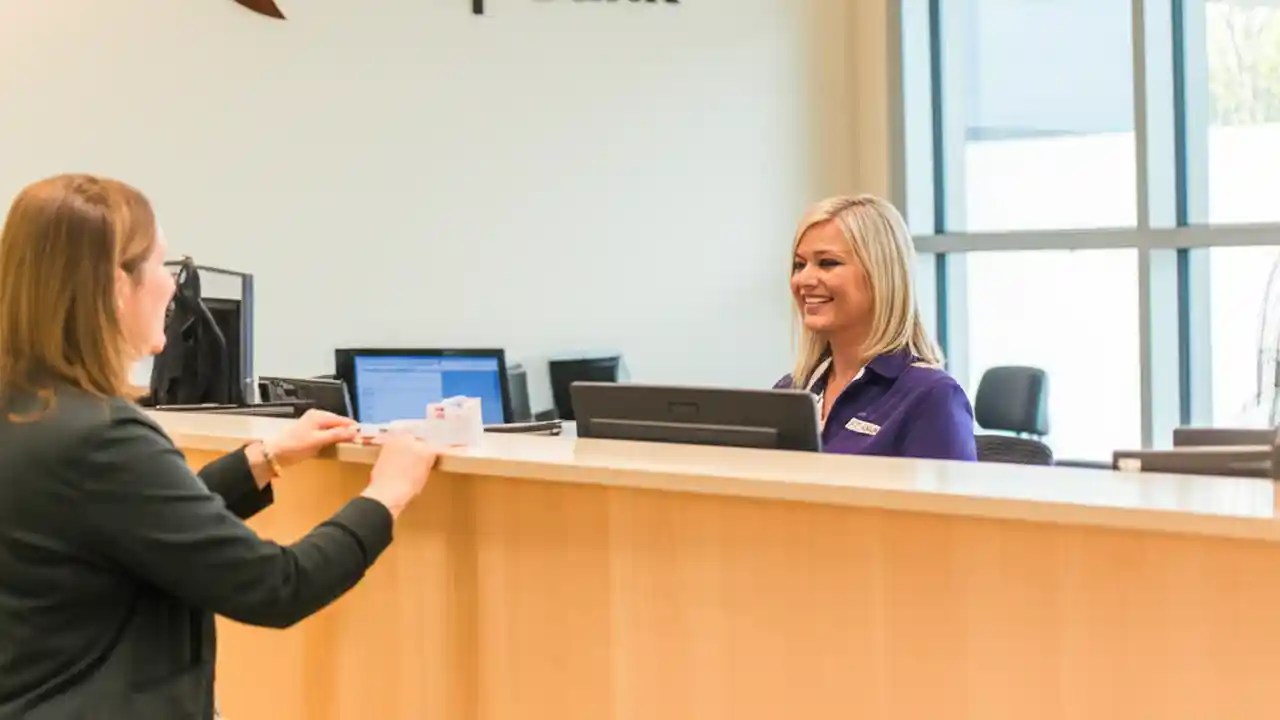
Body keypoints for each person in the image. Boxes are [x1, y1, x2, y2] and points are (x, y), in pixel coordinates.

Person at [0, 174, 437, 719]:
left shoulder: (31, 411)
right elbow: (279, 586)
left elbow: (135, 525)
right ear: (116, 287)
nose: (172, 287)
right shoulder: (102, 437)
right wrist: (387, 494)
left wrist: (264, 459)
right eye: (160, 265)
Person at [777, 194, 977, 461]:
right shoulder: (790, 392)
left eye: (827, 263)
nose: (804, 279)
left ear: (880, 274)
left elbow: (949, 503)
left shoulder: (931, 396)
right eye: (799, 265)